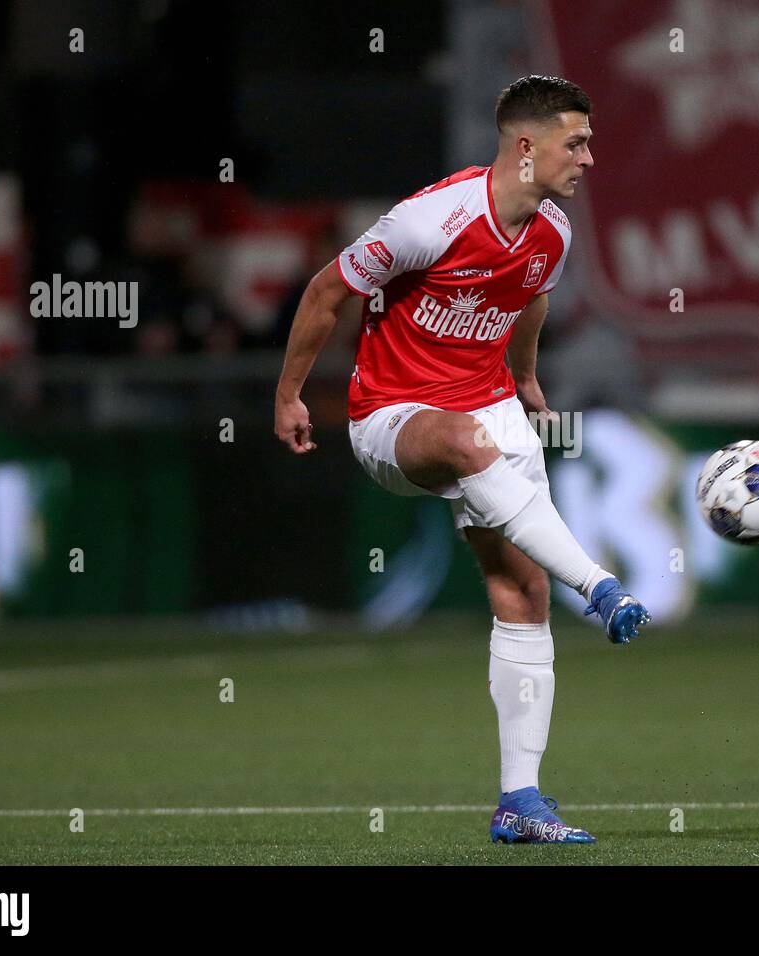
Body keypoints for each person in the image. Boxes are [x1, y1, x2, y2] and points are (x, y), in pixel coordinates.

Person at [273, 75, 650, 845]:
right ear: (525, 147)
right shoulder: (428, 221)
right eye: (576, 142)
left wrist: (525, 373)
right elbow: (322, 293)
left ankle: (520, 800)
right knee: (469, 445)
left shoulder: (552, 233)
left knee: (521, 589)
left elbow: (529, 292)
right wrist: (288, 395)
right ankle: (602, 587)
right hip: (392, 416)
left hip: (488, 403)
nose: (588, 157)